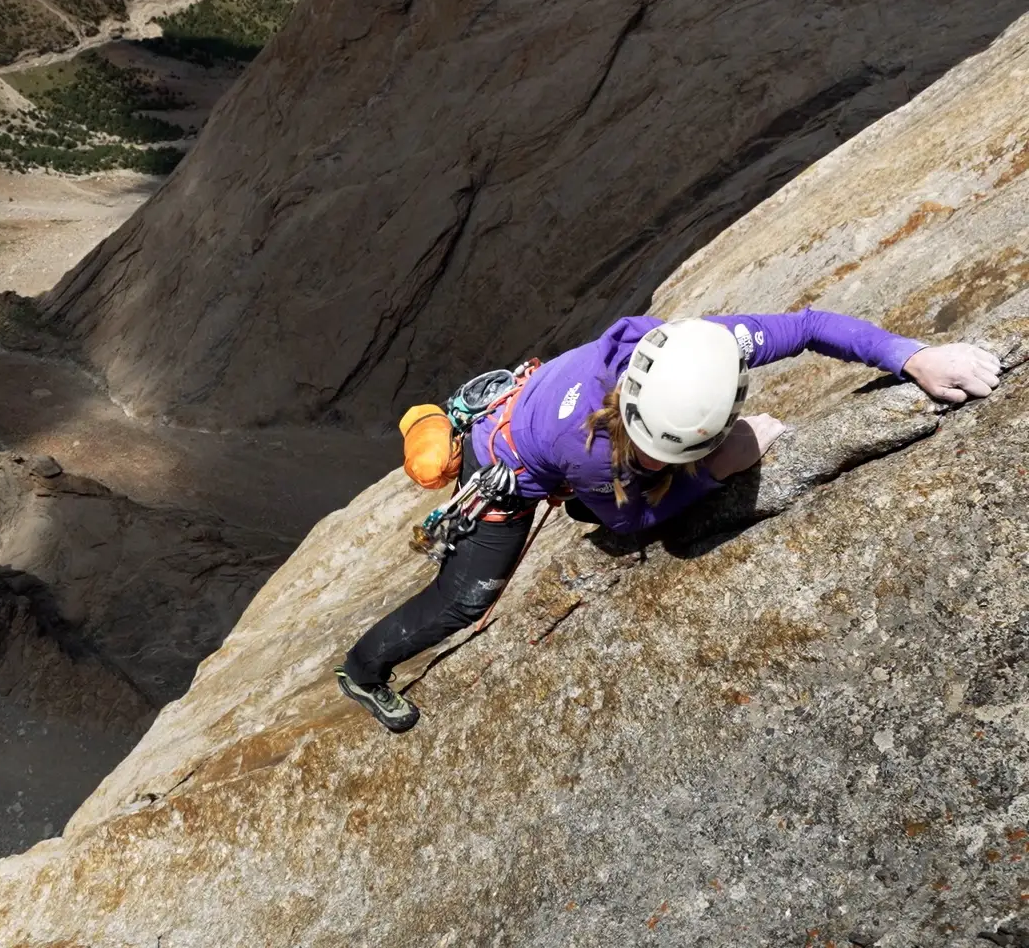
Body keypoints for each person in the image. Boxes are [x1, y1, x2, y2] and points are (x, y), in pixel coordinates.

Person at [335, 309, 1002, 732]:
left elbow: (808, 327)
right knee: (462, 602)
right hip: (505, 456)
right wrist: (719, 470)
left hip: (530, 407)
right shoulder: (592, 451)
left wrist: (912, 356)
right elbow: (629, 524)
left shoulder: (701, 344)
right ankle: (361, 671)